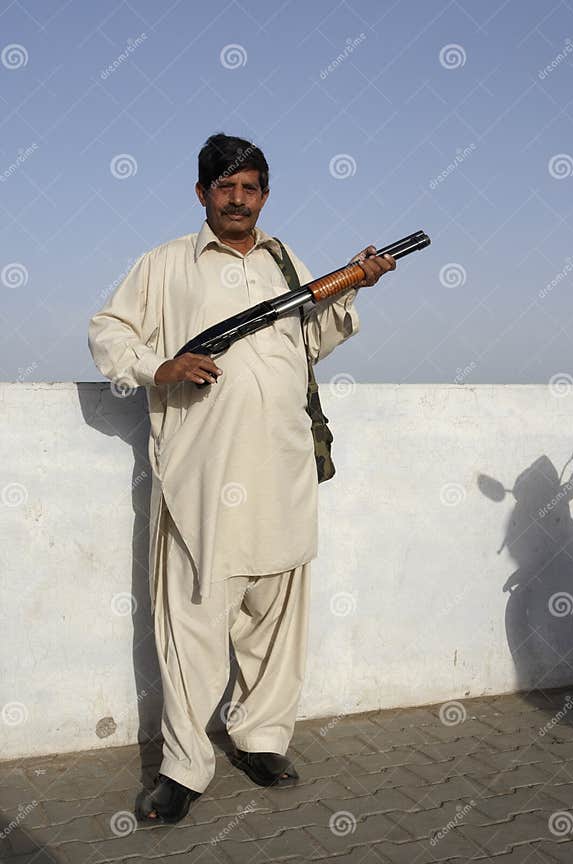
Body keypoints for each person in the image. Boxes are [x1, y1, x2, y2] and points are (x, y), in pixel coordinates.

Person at [88, 133, 395, 824]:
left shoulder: (286, 261)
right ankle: (184, 769)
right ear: (202, 194)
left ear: (263, 194)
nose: (237, 198)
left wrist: (353, 287)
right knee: (194, 625)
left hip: (282, 469)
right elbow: (108, 329)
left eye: (249, 186)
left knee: (275, 617)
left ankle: (260, 740)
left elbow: (307, 341)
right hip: (202, 479)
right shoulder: (165, 264)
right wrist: (156, 367)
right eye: (223, 186)